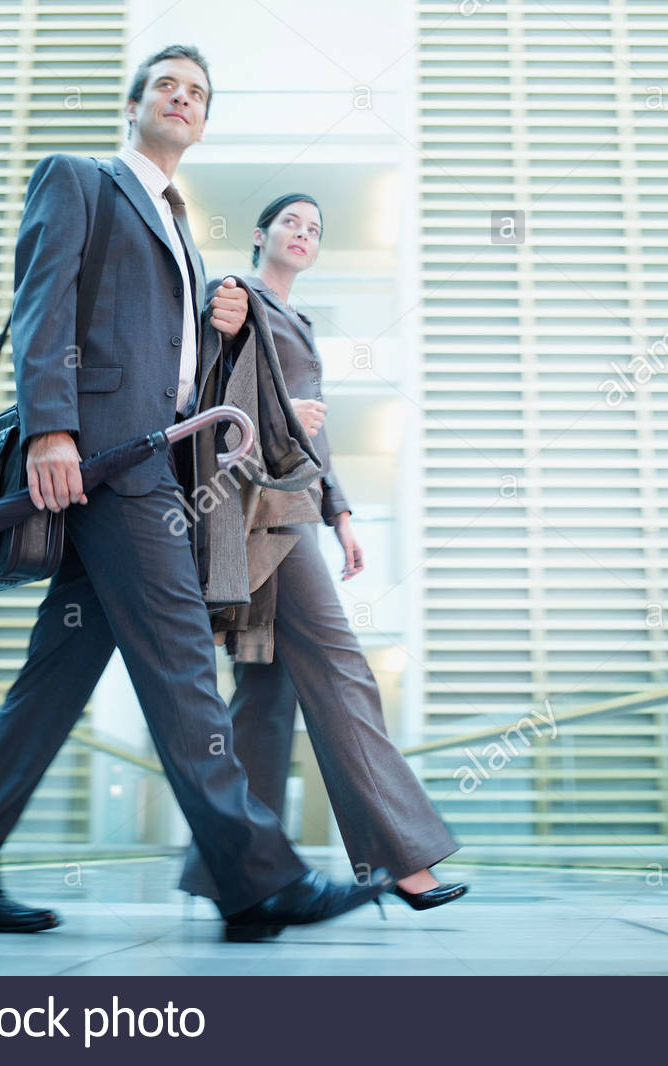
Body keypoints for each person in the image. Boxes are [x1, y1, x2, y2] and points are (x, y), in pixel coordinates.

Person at [0, 45, 391, 943]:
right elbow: (41, 303)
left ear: (204, 123)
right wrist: (51, 426)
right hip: (102, 465)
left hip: (147, 466)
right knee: (180, 665)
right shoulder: (81, 177)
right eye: (167, 86)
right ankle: (258, 879)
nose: (182, 99)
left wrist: (223, 331)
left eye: (198, 94)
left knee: (51, 685)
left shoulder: (181, 230)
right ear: (134, 104)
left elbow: (172, 375)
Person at [177, 193, 468, 912]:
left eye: (314, 228)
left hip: (295, 510)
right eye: (290, 223)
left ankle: (229, 875)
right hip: (254, 515)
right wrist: (283, 416)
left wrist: (340, 514)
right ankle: (401, 859)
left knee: (267, 699)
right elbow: (205, 397)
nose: (303, 234)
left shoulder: (298, 321)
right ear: (260, 235)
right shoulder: (233, 296)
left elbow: (317, 438)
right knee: (341, 669)